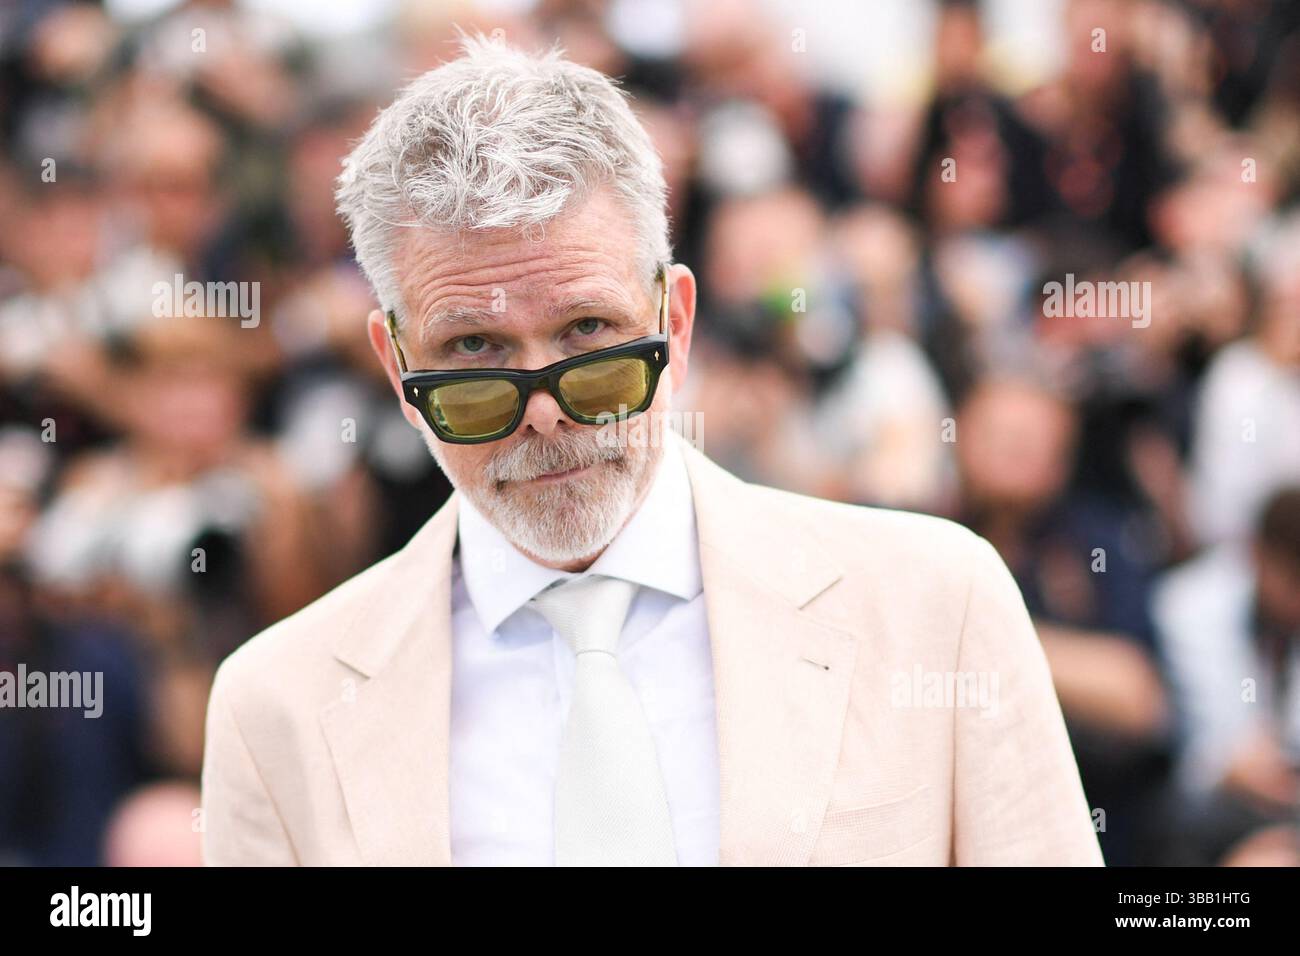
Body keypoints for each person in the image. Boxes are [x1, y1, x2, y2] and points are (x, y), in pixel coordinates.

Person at [199, 36, 1102, 867]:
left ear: (675, 320)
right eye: (475, 352)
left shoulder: (936, 605)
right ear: (395, 368)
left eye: (590, 334)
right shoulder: (274, 710)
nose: (546, 412)